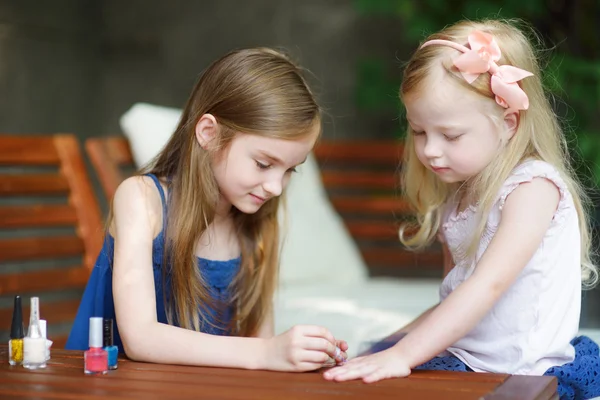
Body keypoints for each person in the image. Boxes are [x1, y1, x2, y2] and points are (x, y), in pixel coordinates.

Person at [323, 19, 600, 399]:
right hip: (469, 358)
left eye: (450, 135)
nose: (430, 150)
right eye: (418, 131)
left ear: (508, 123)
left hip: (518, 369)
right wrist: (386, 344)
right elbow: (454, 302)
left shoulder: (532, 187)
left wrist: (403, 354)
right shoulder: (459, 196)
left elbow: (488, 285)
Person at [66, 47, 348, 372]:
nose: (276, 187)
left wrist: (292, 355)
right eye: (263, 163)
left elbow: (261, 344)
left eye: (289, 170)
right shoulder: (141, 200)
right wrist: (265, 353)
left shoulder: (257, 220)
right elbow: (140, 338)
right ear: (208, 134)